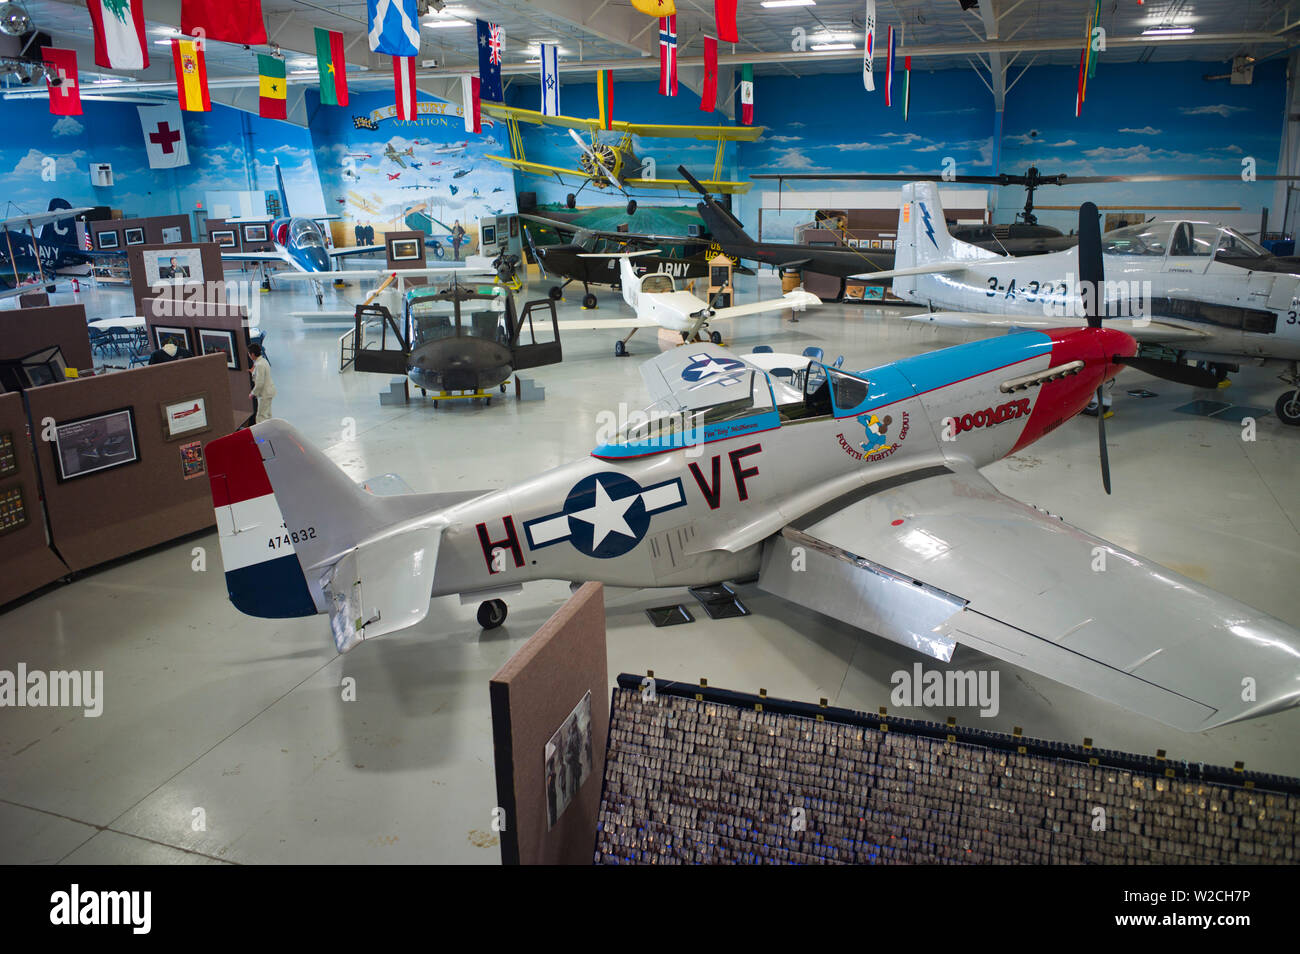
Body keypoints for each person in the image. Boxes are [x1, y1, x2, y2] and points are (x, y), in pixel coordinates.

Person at [248, 343, 276, 424]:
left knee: (261, 416)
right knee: (268, 414)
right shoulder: (263, 361)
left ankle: (261, 435)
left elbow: (260, 383)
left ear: (252, 354)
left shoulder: (259, 365)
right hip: (269, 391)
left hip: (265, 393)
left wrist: (252, 393)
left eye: (249, 354)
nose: (249, 356)